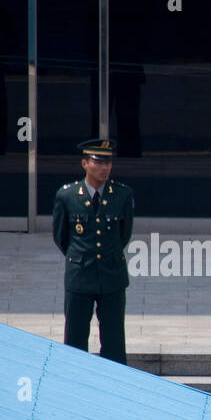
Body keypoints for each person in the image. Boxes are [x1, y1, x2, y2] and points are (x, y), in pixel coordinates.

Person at [51, 138, 136, 364]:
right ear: (85, 163)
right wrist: (79, 256)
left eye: (108, 162)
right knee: (75, 337)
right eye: (98, 162)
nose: (104, 167)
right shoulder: (67, 195)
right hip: (80, 275)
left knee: (114, 339)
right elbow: (62, 237)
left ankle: (115, 384)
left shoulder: (122, 194)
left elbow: (123, 234)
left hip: (112, 275)